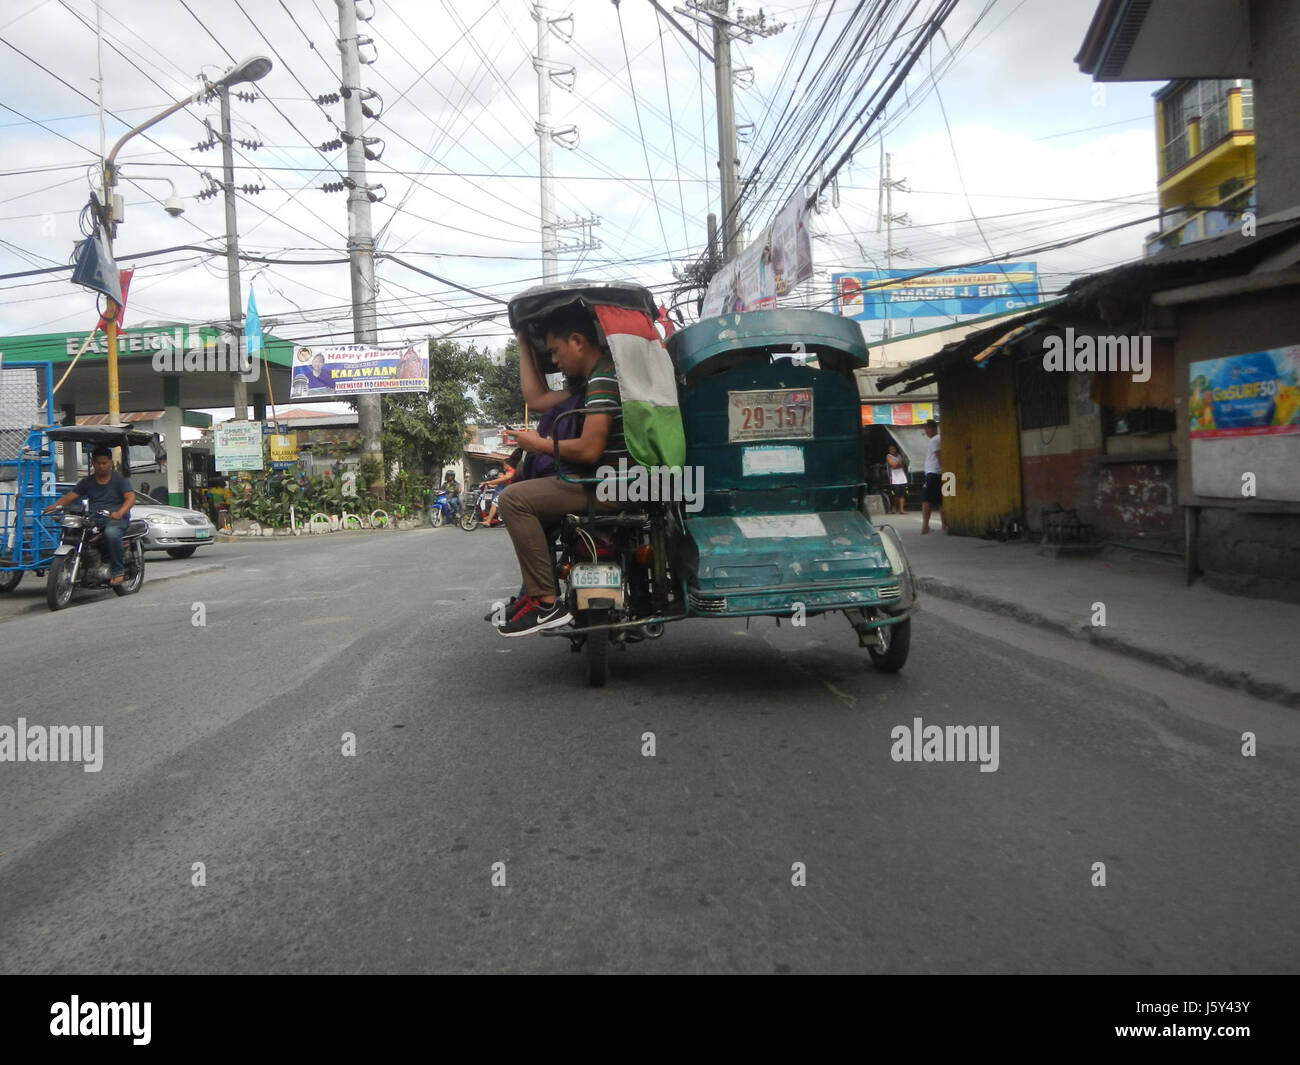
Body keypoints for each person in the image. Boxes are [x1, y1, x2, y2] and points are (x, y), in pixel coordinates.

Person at [492, 303, 628, 637]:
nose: (554, 361)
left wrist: (537, 444)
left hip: (608, 488)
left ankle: (546, 604)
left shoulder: (603, 380)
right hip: (609, 483)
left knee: (512, 500)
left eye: (555, 351)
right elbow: (537, 400)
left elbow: (589, 448)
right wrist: (523, 340)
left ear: (578, 341)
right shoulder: (596, 378)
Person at [43, 445, 136, 584]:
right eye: (98, 463)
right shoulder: (87, 482)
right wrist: (55, 506)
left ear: (110, 462)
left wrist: (119, 513)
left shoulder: (119, 479)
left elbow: (130, 498)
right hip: (95, 518)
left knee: (111, 533)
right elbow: (70, 496)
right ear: (93, 463)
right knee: (73, 533)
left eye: (104, 463)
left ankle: (118, 571)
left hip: (116, 519)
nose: (101, 466)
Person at [480, 451, 520, 527]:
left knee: (494, 503)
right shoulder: (509, 472)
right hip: (509, 491)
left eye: (504, 465)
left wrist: (490, 482)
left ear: (508, 465)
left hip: (511, 492)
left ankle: (488, 521)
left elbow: (502, 479)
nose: (503, 466)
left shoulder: (511, 472)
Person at [921, 419, 947, 534]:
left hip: (934, 473)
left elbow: (939, 456)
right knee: (943, 500)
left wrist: (944, 470)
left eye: (926, 429)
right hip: (941, 473)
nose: (925, 432)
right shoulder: (940, 439)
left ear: (931, 428)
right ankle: (945, 524)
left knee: (927, 499)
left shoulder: (935, 440)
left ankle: (925, 526)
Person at [885, 443, 908, 515]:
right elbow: (893, 465)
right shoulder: (888, 456)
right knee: (895, 494)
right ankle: (894, 507)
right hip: (894, 478)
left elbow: (905, 464)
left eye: (893, 449)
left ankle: (901, 509)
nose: (892, 450)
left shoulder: (899, 456)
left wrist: (903, 460)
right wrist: (899, 461)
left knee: (902, 494)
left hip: (902, 477)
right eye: (890, 449)